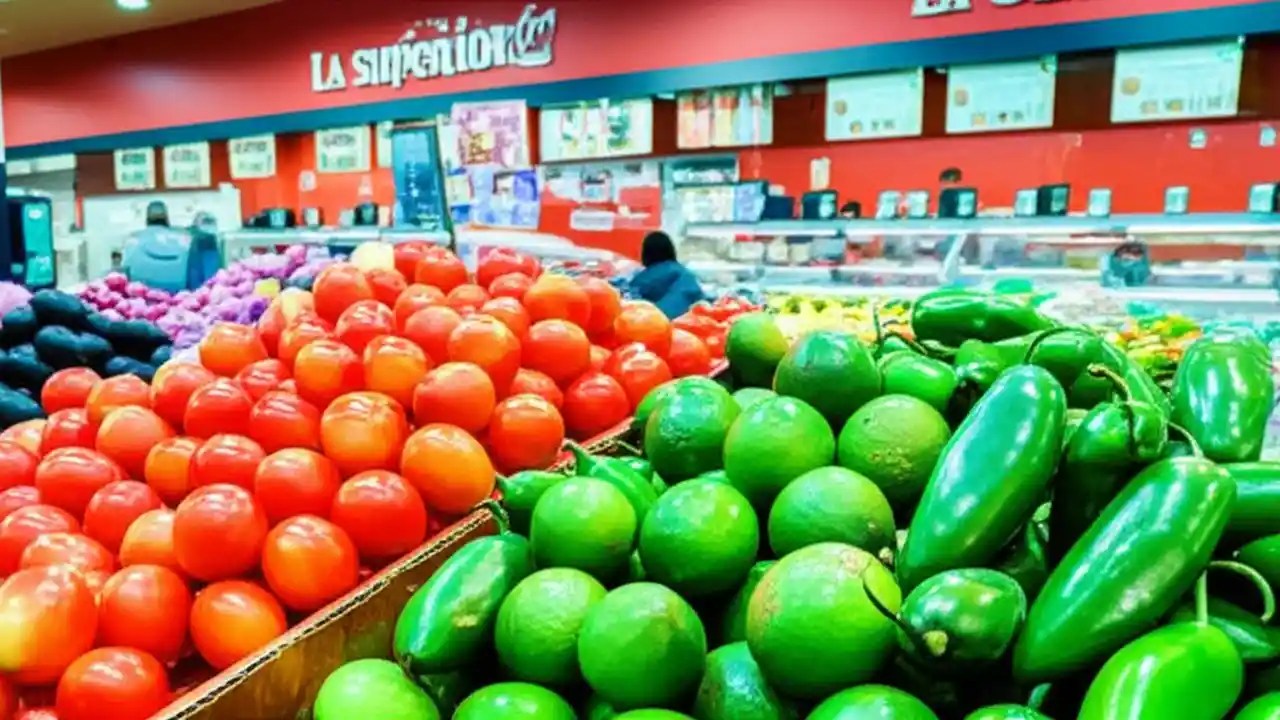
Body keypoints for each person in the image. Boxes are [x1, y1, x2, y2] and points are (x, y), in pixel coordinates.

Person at [629, 231, 705, 318]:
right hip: (688, 326)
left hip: (651, 326)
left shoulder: (641, 280)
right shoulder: (686, 275)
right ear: (671, 250)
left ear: (645, 254)